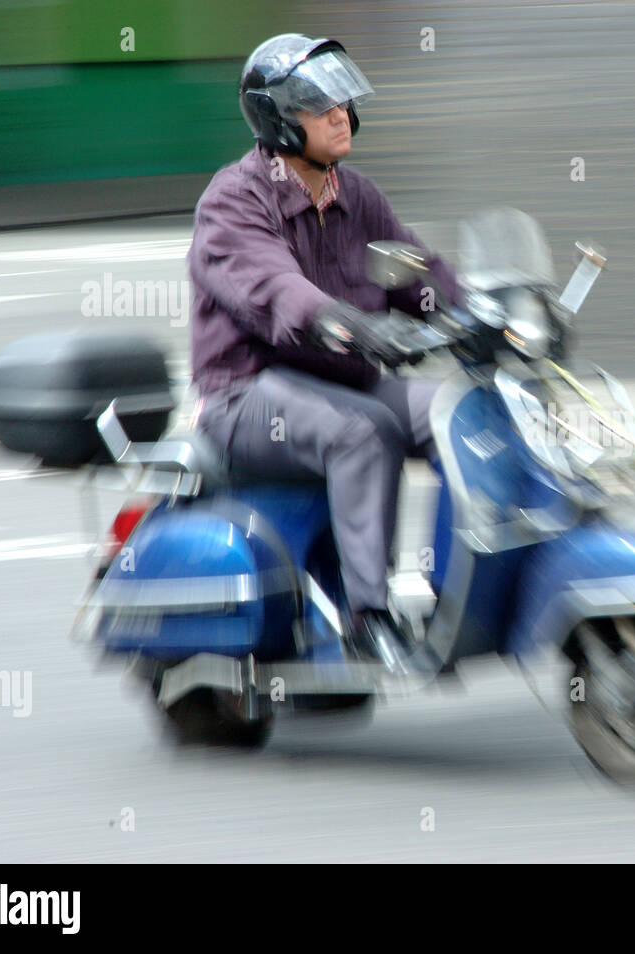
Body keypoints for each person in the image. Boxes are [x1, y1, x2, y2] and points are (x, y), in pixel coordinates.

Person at [186, 33, 460, 660]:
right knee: (362, 432)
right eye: (319, 104)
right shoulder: (234, 200)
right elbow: (275, 290)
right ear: (279, 120)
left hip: (338, 379)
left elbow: (417, 273)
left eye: (341, 100)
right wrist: (350, 324)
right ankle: (368, 617)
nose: (340, 113)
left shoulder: (356, 195)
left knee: (460, 414)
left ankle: (455, 597)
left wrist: (490, 314)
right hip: (246, 395)